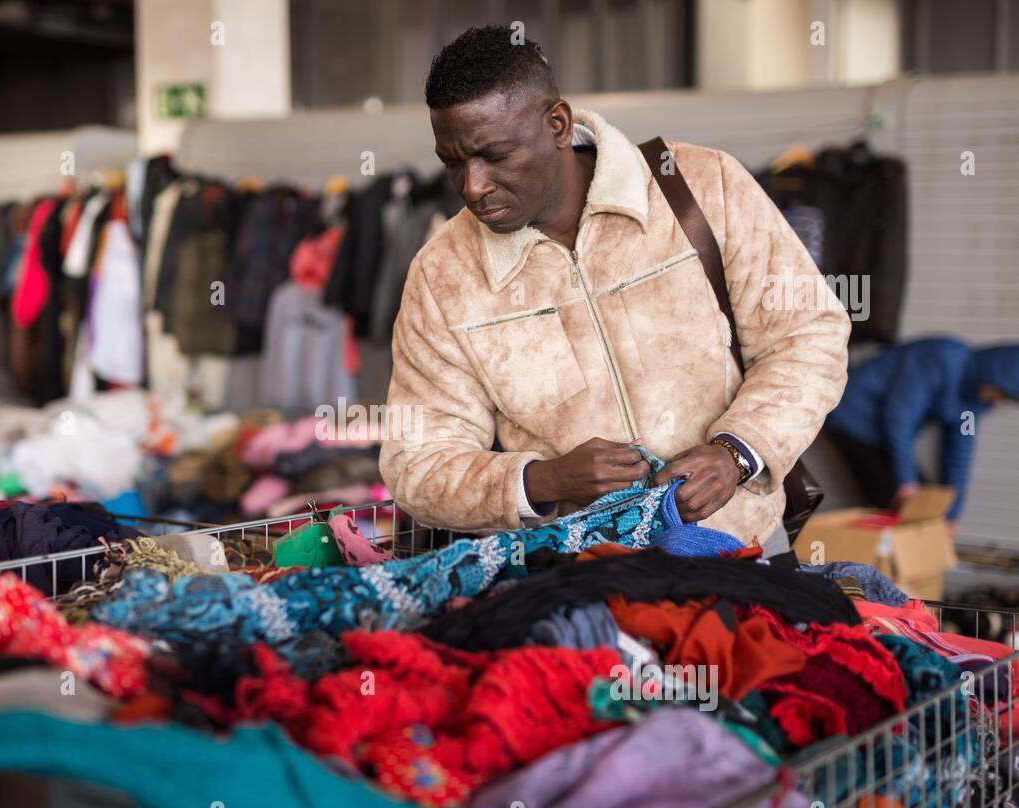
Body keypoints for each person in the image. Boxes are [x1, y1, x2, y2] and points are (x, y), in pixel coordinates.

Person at [379, 27, 850, 553]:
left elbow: (808, 338)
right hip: (572, 576)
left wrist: (735, 453)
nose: (473, 186)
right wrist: (543, 481)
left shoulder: (703, 188)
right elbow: (417, 461)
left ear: (557, 124)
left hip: (743, 550)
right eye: (453, 163)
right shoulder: (443, 275)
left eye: (495, 155)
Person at [825, 336, 1019, 528]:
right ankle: (876, 552)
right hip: (853, 413)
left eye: (1007, 398)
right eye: (1001, 393)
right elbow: (899, 419)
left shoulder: (972, 404)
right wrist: (907, 481)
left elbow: (959, 452)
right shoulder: (941, 357)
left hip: (884, 431)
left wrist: (952, 516)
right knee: (894, 498)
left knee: (926, 504)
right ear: (992, 375)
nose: (998, 401)